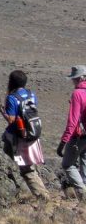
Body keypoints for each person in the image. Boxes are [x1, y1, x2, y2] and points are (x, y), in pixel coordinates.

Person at [0, 70, 47, 199]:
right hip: (31, 133)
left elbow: (11, 119)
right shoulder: (31, 94)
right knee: (27, 164)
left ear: (11, 82)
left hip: (17, 137)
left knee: (23, 167)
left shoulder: (12, 97)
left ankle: (42, 195)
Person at [58, 65, 86, 200]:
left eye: (74, 79)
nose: (73, 81)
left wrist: (63, 142)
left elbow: (73, 121)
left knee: (67, 164)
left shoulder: (77, 93)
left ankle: (83, 194)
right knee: (85, 163)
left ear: (80, 78)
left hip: (79, 137)